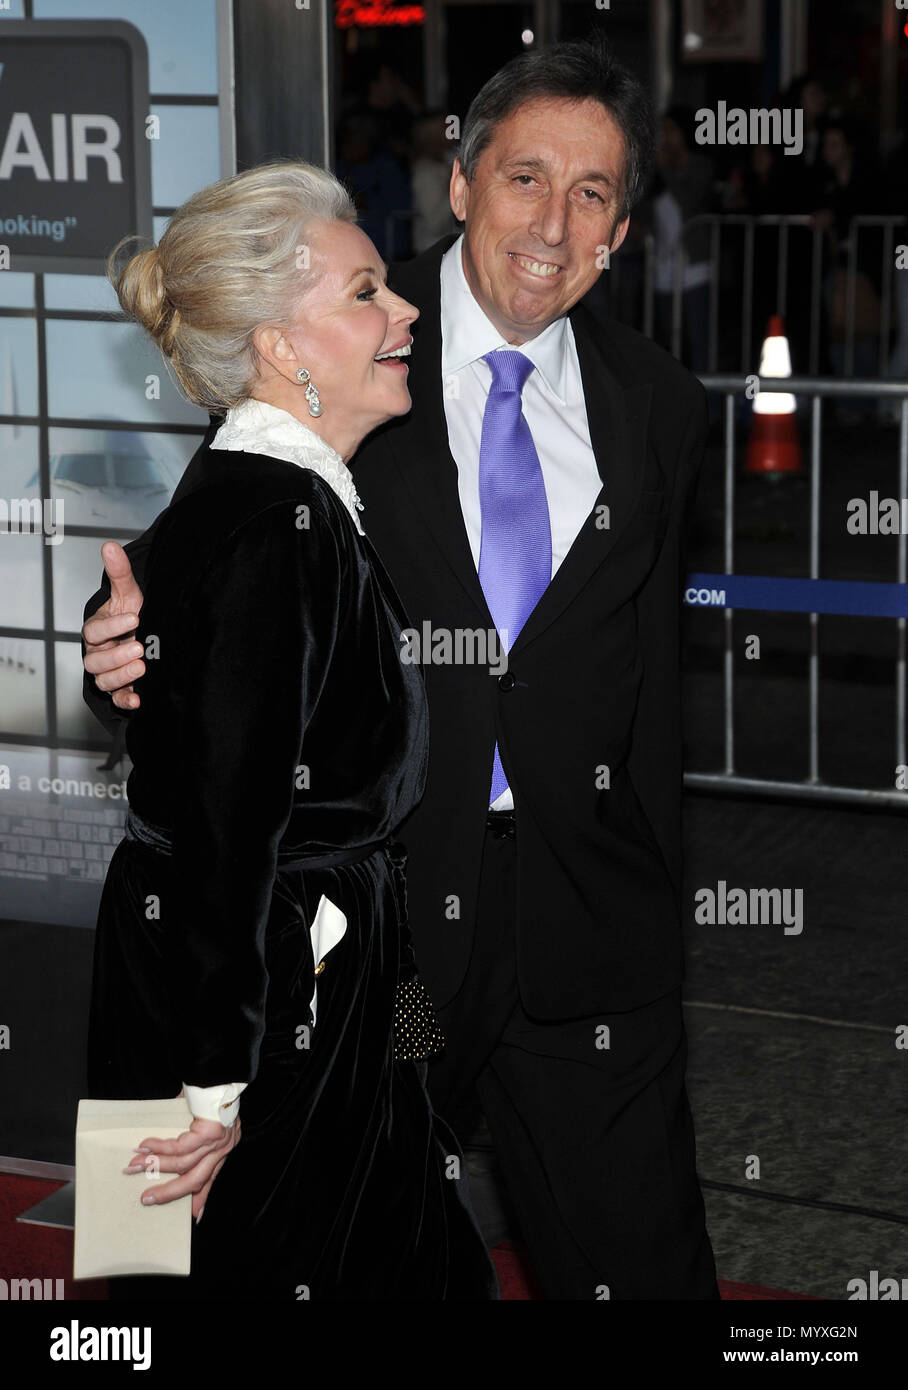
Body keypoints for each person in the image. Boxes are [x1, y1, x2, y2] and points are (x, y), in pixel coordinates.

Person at [84, 32, 718, 1299]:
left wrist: (654, 870)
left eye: (592, 192)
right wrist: (117, 639)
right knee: (282, 1249)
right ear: (464, 181)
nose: (554, 220)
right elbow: (195, 551)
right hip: (378, 948)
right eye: (526, 176)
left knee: (641, 1270)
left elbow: (652, 661)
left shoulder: (657, 403)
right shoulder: (344, 349)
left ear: (619, 227)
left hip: (583, 927)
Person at [83, 160, 498, 1302]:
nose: (405, 306)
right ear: (279, 345)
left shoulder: (238, 489)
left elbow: (182, 691)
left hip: (197, 958)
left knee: (149, 1277)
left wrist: (115, 665)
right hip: (268, 985)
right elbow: (228, 822)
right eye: (366, 290)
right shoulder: (283, 521)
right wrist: (214, 1090)